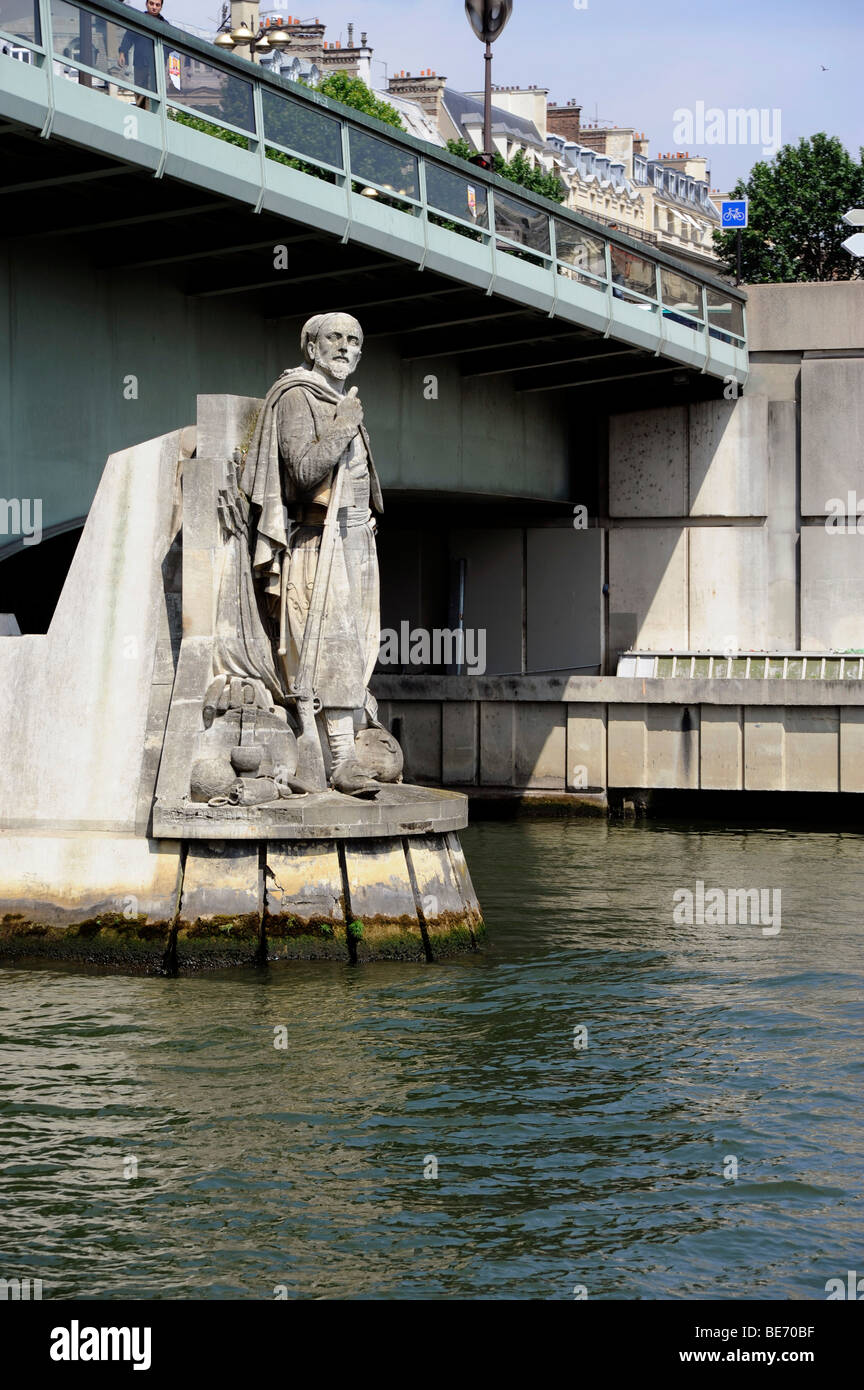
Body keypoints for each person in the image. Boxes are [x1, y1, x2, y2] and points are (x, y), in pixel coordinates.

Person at [241, 313, 385, 794]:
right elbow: (303, 471)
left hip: (356, 538)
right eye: (335, 338)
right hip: (318, 540)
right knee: (330, 647)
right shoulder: (297, 396)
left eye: (354, 341)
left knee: (360, 645)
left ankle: (339, 750)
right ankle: (339, 760)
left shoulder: (342, 399)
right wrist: (344, 426)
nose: (345, 347)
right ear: (312, 346)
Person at [118, 0, 165, 109]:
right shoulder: (139, 20)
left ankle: (154, 116)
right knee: (140, 94)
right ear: (146, 4)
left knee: (156, 94)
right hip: (140, 64)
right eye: (151, 3)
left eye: (157, 5)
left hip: (156, 67)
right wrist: (122, 53)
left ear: (161, 7)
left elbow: (169, 47)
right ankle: (143, 114)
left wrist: (165, 61)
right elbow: (128, 37)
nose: (154, 7)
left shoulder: (164, 25)